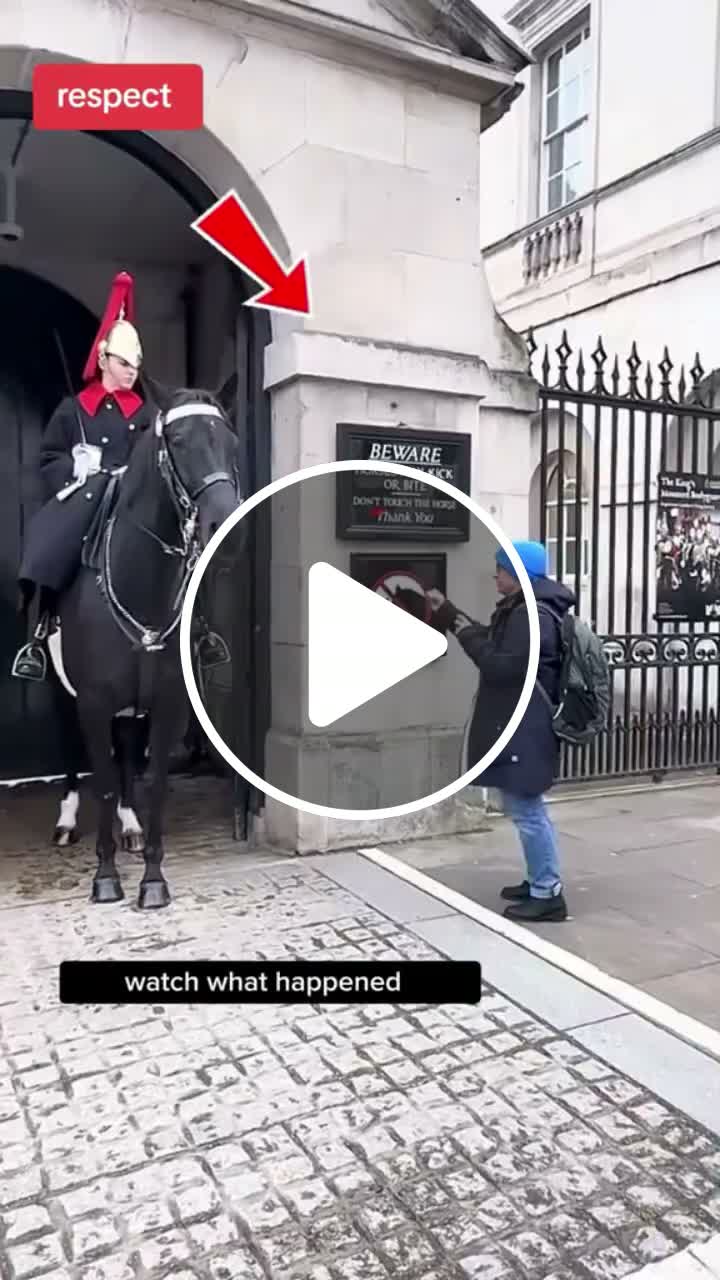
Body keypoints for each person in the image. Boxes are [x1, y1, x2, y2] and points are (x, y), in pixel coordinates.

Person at [13, 271, 151, 681]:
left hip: (130, 495)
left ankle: (197, 633)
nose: (131, 372)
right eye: (124, 363)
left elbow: (156, 453)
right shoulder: (73, 409)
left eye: (136, 365)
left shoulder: (145, 413)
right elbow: (50, 455)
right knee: (56, 539)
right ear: (105, 359)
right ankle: (40, 632)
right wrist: (76, 466)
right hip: (86, 493)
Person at [427, 540, 574, 923]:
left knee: (527, 809)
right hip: (522, 722)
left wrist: (462, 632)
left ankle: (548, 892)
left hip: (527, 724)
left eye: (502, 569)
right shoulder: (522, 609)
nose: (496, 575)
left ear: (520, 574)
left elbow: (501, 666)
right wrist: (453, 616)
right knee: (522, 805)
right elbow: (494, 646)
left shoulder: (531, 616)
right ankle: (538, 880)